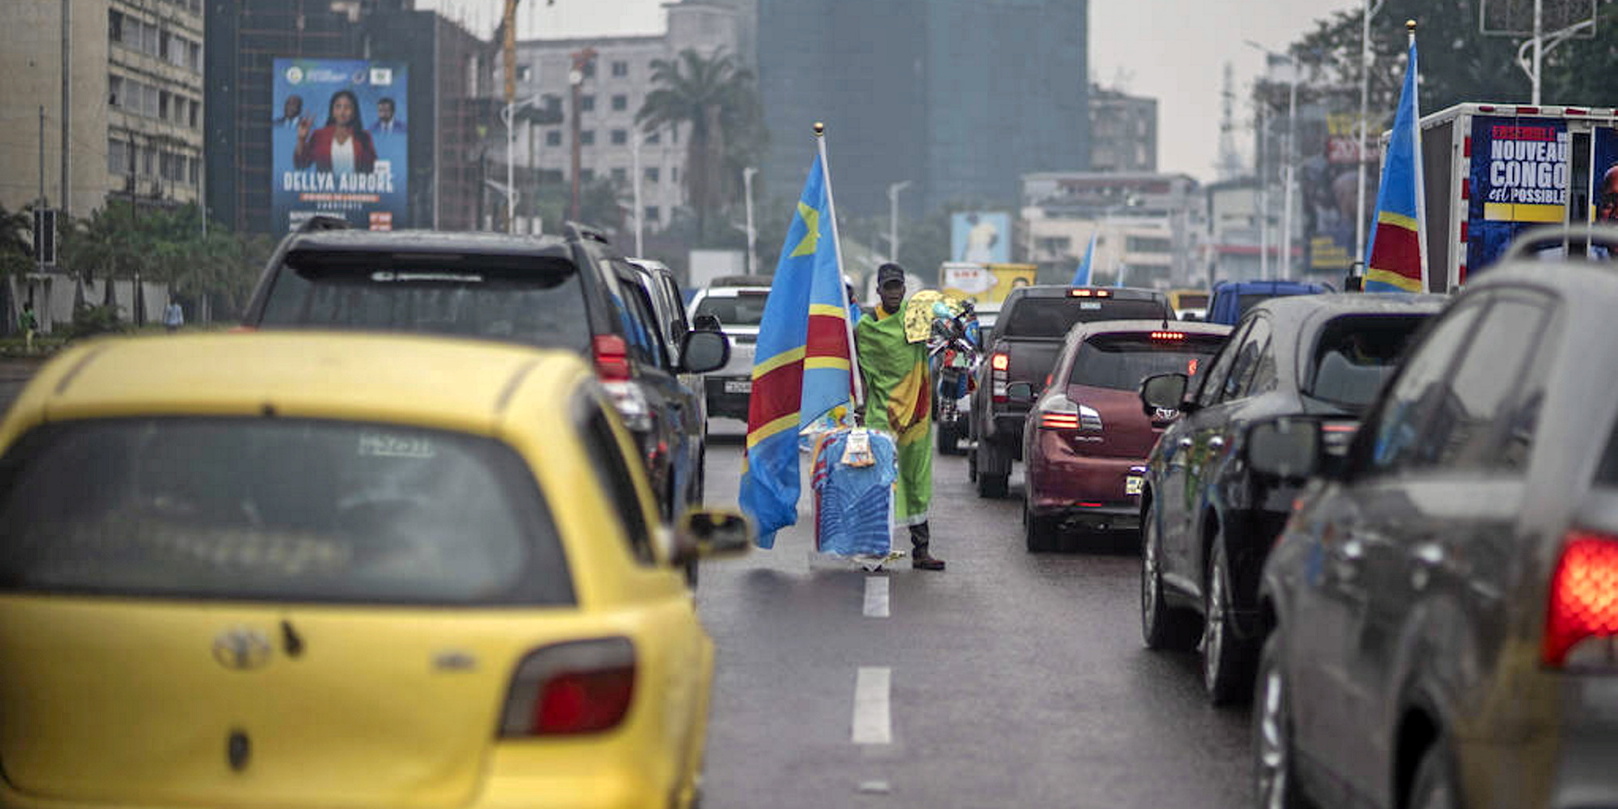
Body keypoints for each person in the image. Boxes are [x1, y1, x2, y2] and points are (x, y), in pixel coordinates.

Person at [854, 263, 945, 571]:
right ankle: (874, 550)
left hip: (916, 418)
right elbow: (862, 371)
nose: (893, 292)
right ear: (878, 290)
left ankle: (921, 551)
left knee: (915, 479)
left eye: (898, 286)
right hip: (882, 416)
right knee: (880, 483)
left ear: (905, 288)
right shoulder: (866, 328)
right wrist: (860, 406)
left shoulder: (916, 319)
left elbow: (945, 331)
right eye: (888, 287)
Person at [294, 90, 377, 174]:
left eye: (347, 107)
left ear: (354, 112)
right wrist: (301, 139)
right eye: (338, 106)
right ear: (332, 111)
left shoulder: (364, 137)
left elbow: (371, 169)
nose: (342, 111)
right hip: (326, 186)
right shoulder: (319, 135)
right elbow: (301, 164)